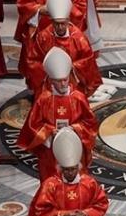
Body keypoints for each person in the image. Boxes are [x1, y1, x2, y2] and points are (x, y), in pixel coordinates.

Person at [27, 127, 107, 216]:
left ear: (79, 166)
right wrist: (63, 215)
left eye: (73, 169)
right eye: (66, 169)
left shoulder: (89, 183)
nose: (70, 172)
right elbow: (40, 210)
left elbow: (101, 203)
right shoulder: (51, 185)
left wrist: (86, 214)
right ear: (60, 168)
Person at [18, 48, 98, 180]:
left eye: (65, 80)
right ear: (51, 80)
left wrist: (74, 128)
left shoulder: (78, 98)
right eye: (58, 81)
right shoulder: (44, 100)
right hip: (50, 152)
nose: (63, 84)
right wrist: (49, 131)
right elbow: (33, 125)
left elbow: (90, 123)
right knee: (51, 185)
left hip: (74, 146)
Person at [25, 0, 101, 97]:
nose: (60, 27)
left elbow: (88, 60)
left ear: (68, 20)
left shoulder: (79, 38)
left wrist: (71, 67)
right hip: (50, 82)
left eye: (62, 23)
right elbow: (33, 60)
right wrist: (50, 69)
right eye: (56, 24)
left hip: (72, 81)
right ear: (51, 21)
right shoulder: (44, 37)